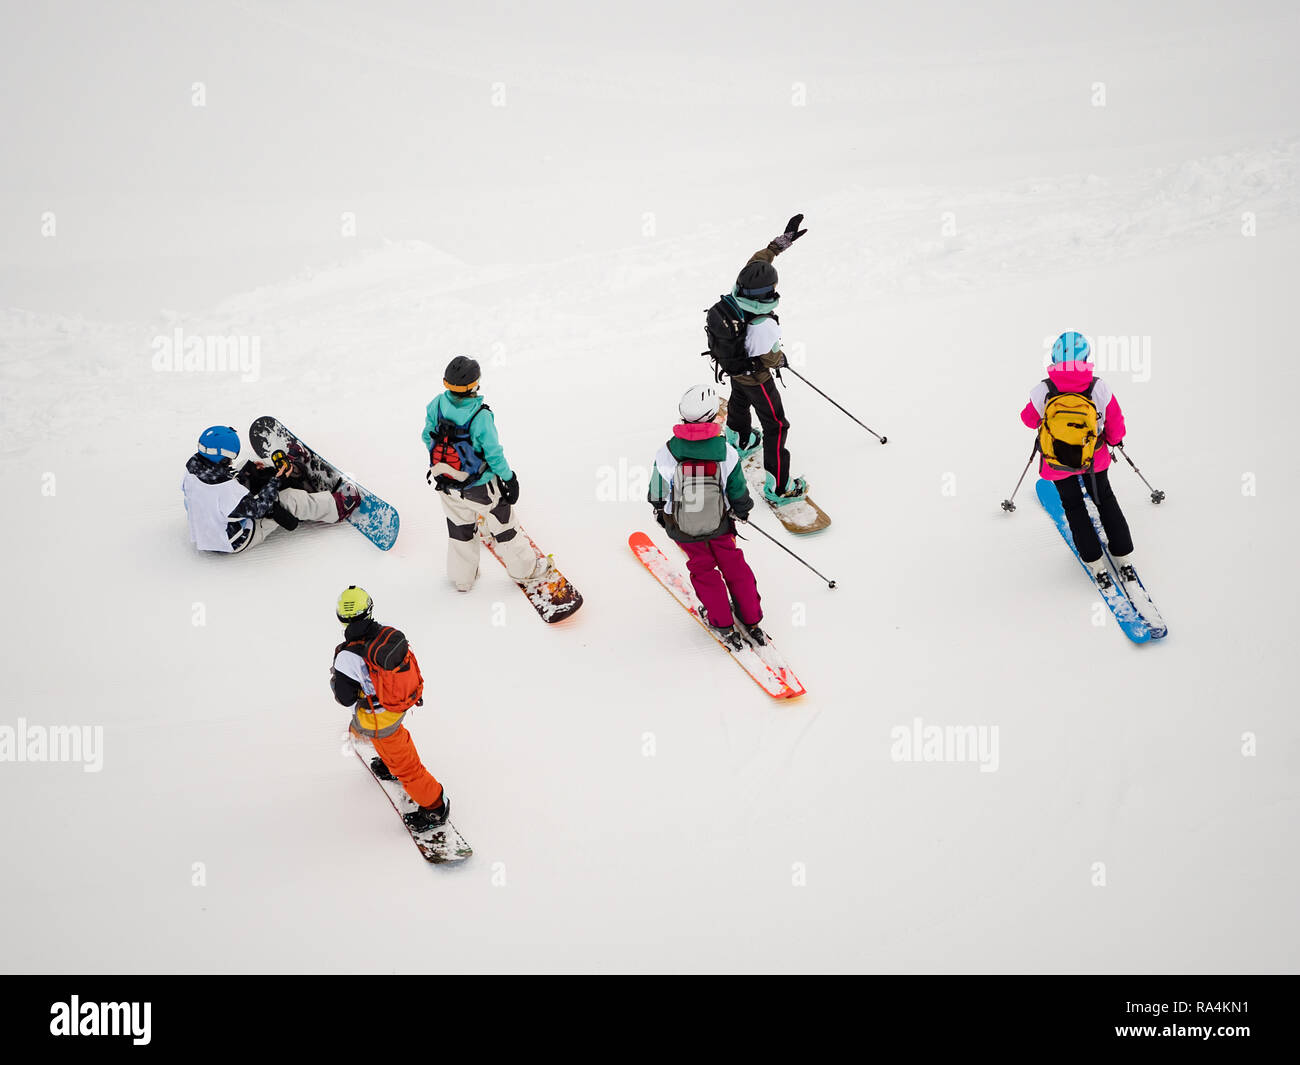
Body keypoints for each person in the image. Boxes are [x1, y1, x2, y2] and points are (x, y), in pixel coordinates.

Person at [648, 383, 767, 650]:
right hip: (719, 524)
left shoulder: (667, 452)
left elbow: (657, 491)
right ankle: (750, 617)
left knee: (703, 568)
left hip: (683, 526)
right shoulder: (726, 452)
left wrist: (660, 511)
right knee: (734, 565)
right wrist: (742, 510)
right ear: (714, 416)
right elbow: (737, 490)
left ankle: (721, 621)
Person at [1021, 331, 1137, 591]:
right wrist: (1113, 439)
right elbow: (1116, 423)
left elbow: (1028, 420)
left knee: (1073, 506)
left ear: (1054, 357)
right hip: (1094, 459)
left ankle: (1095, 562)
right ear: (1086, 357)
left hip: (1057, 462)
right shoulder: (1098, 387)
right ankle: (1123, 556)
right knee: (1105, 500)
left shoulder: (1044, 389)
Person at [422, 356, 549, 591]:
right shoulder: (480, 416)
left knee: (459, 529)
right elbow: (493, 454)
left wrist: (449, 463)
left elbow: (427, 437)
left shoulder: (436, 404)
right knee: (504, 525)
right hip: (480, 487)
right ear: (475, 384)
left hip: (445, 484)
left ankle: (462, 578)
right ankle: (525, 570)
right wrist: (509, 479)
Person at [330, 586, 449, 831]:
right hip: (399, 703)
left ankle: (435, 806)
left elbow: (344, 698)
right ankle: (389, 762)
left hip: (379, 717)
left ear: (341, 618)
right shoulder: (386, 632)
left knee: (407, 766)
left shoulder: (346, 656)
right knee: (394, 740)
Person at [713, 214, 809, 505]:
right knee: (776, 425)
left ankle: (740, 438)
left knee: (739, 397)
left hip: (732, 364)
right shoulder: (762, 323)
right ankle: (779, 487)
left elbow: (758, 261)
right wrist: (779, 359)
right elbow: (768, 357)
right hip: (756, 375)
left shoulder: (735, 293)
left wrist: (778, 244)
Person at [181, 425, 358, 553]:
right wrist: (276, 480)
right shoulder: (224, 489)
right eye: (230, 457)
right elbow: (258, 510)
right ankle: (337, 507)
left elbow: (211, 495)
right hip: (233, 539)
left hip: (209, 532)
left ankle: (288, 472)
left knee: (247, 470)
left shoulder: (193, 469)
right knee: (290, 499)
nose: (232, 460)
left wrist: (247, 474)